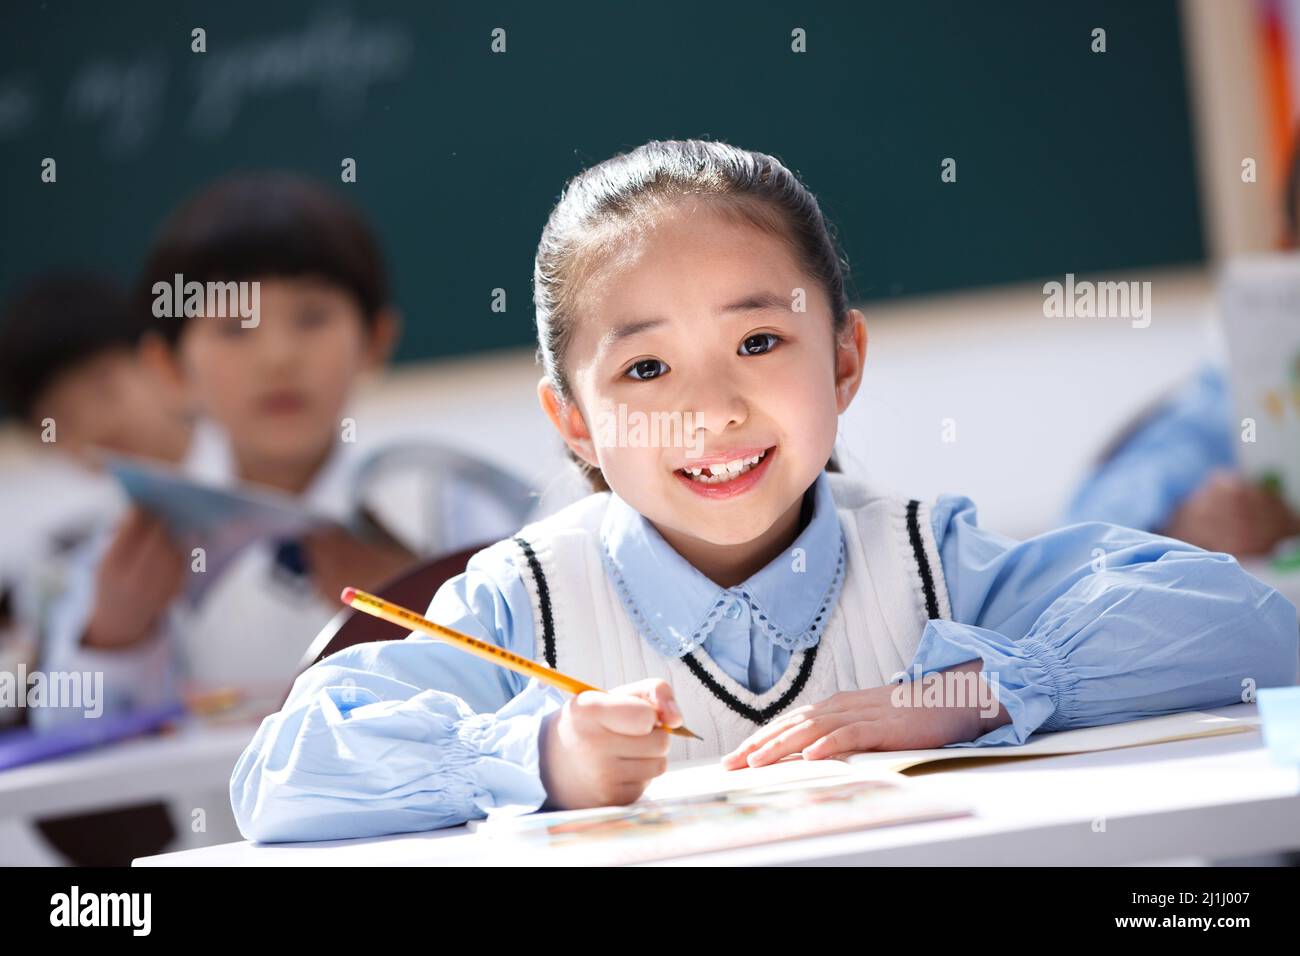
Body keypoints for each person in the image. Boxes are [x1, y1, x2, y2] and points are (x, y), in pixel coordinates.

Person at [230, 140, 1299, 844]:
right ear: (572, 424)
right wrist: (536, 752)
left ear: (842, 361)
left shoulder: (932, 565)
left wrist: (975, 689)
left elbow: (1253, 626)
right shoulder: (520, 600)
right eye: (645, 368)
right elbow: (279, 776)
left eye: (758, 340)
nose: (711, 408)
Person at [34, 173, 416, 727]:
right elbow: (62, 747)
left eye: (311, 317)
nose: (278, 356)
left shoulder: (440, 500)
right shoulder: (131, 547)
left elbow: (526, 688)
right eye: (236, 327)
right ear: (168, 367)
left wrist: (418, 603)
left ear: (375, 340)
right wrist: (115, 636)